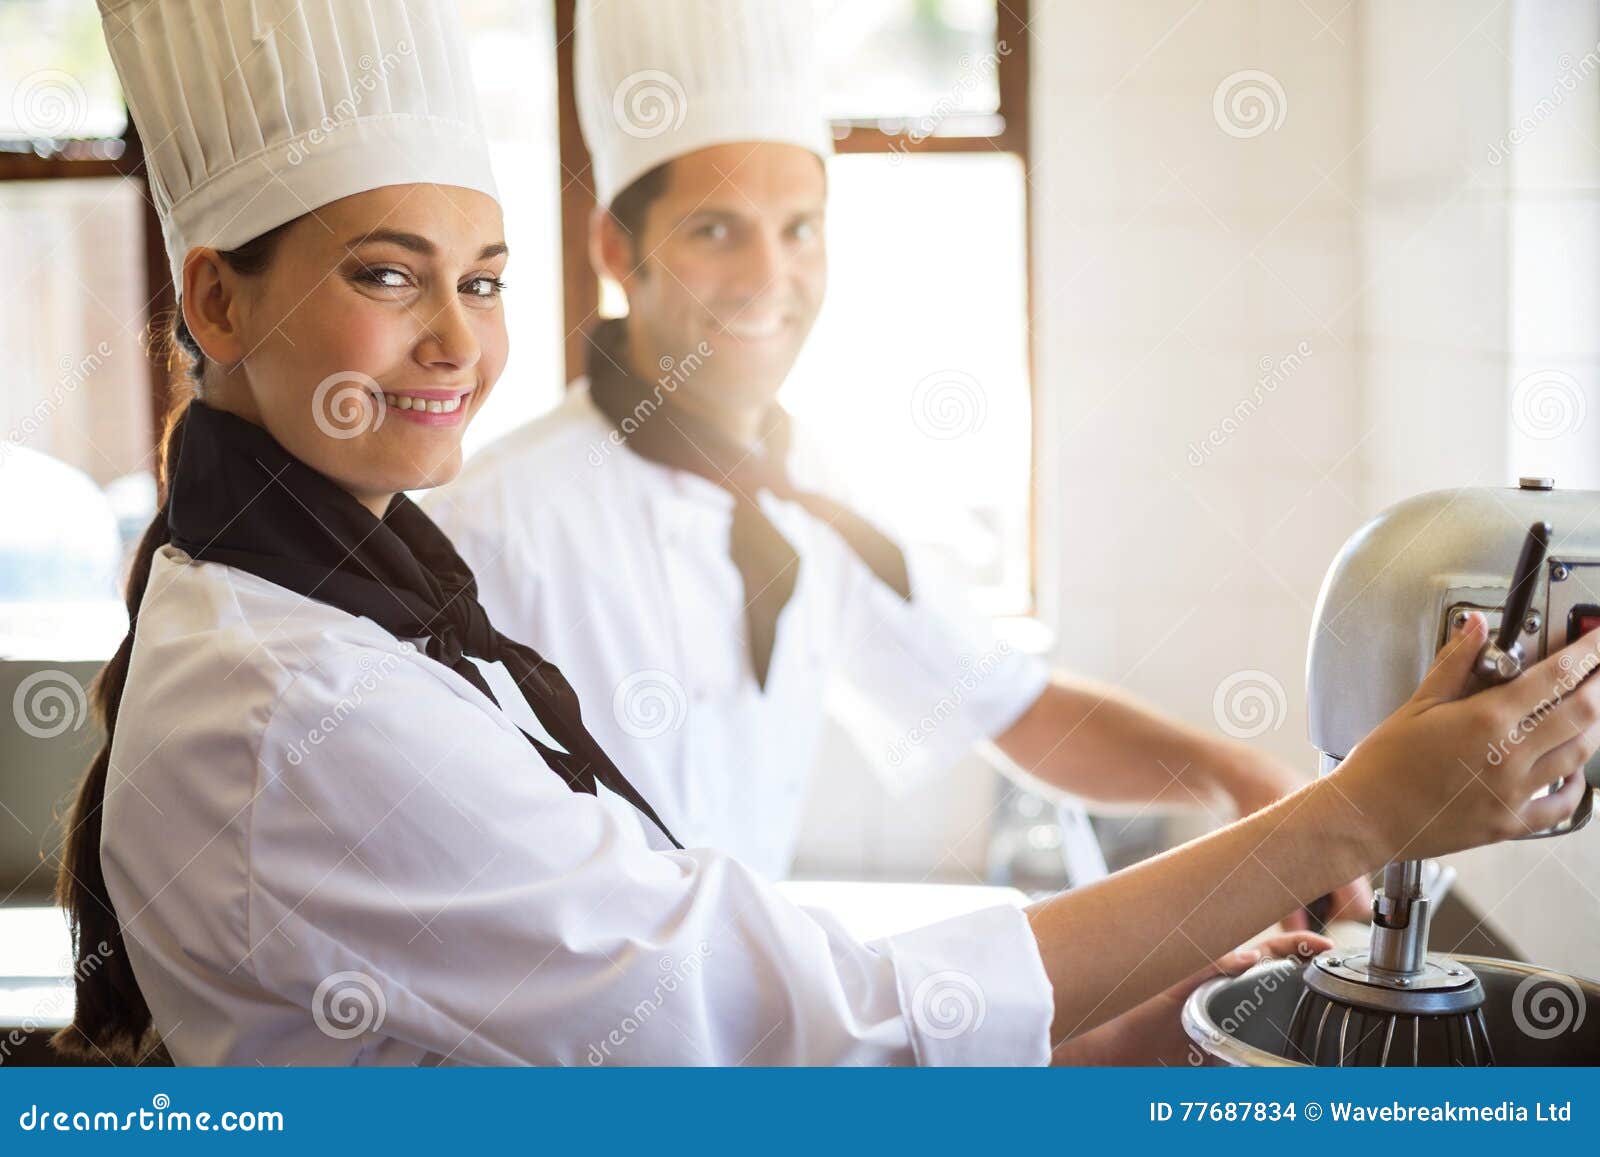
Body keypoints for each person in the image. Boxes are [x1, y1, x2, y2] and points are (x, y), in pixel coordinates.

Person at [55, 0, 1596, 1068]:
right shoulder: (359, 647)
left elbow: (1003, 712)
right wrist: (1344, 818)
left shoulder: (420, 577)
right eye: (387, 275)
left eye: (482, 279)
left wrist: (1241, 815)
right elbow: (744, 1023)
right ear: (215, 299)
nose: (456, 339)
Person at [424, 0, 1368, 920]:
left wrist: (1250, 782)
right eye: (715, 230)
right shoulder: (488, 523)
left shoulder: (814, 486)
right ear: (614, 248)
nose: (769, 277)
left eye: (800, 228)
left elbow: (1013, 706)